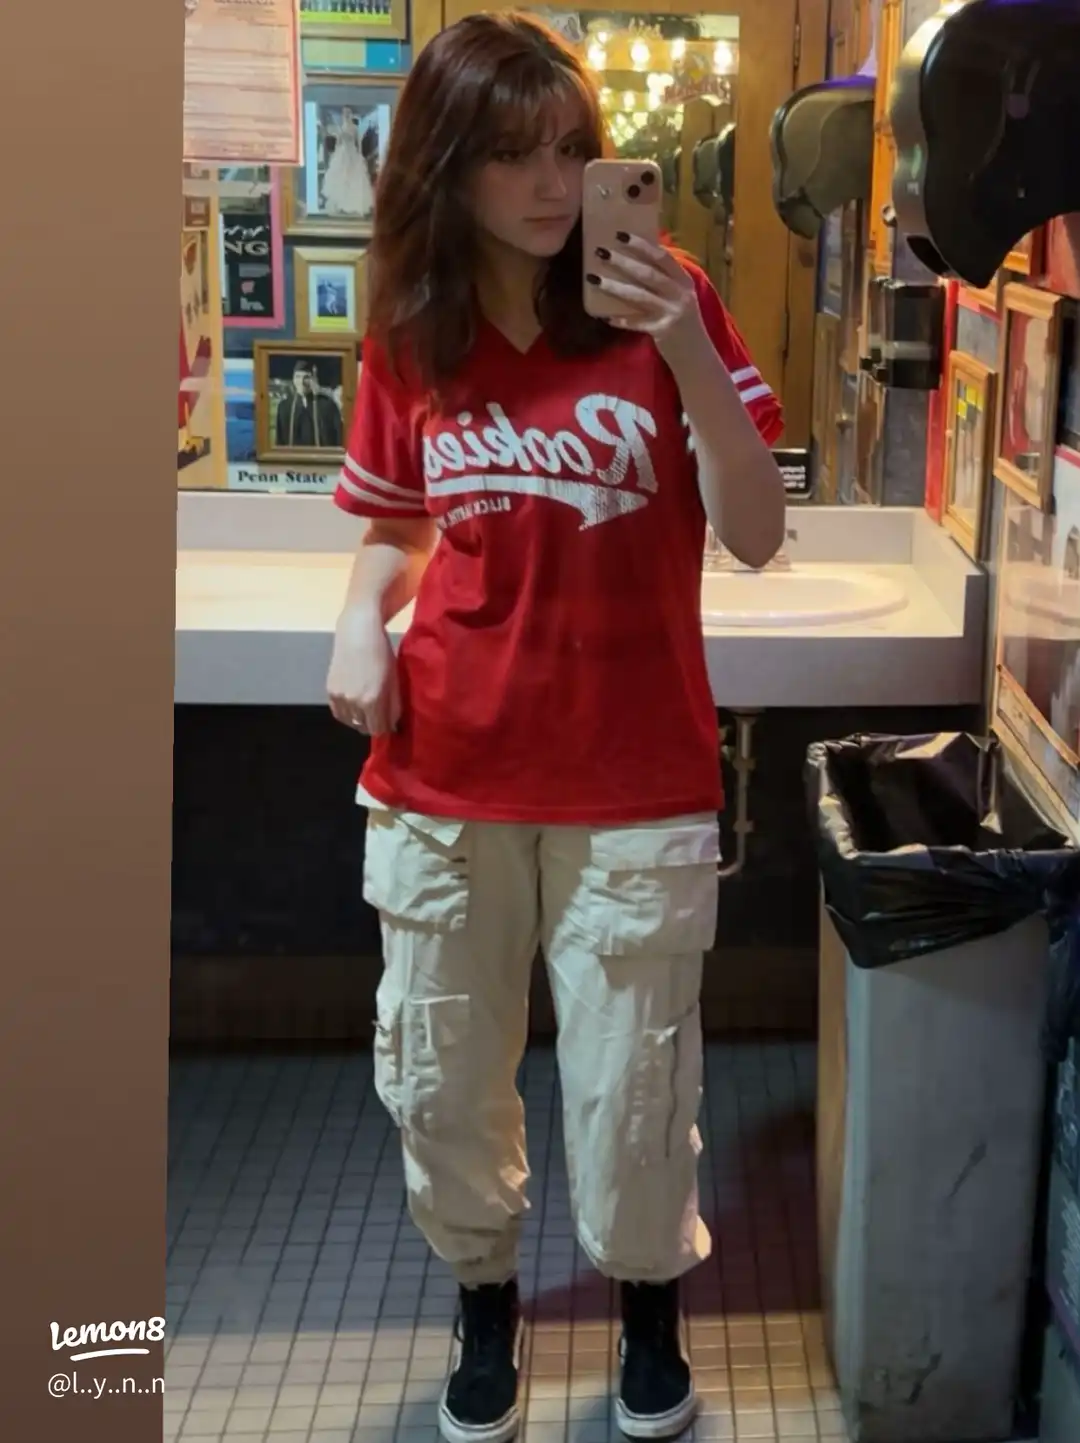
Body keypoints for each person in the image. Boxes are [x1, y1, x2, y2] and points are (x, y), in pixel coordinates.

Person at [325, 13, 785, 1443]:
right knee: (443, 1075)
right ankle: (485, 1300)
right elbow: (400, 526)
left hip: (634, 770)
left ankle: (647, 1302)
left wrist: (683, 345)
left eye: (569, 150)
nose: (547, 183)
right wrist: (361, 618)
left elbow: (757, 532)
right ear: (444, 165)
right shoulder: (414, 327)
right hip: (446, 766)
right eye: (511, 154)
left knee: (635, 1082)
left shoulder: (667, 299)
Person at [275, 360, 342, 449]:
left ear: (313, 380)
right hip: (293, 457)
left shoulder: (328, 405)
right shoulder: (284, 407)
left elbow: (338, 439)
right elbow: (279, 442)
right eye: (298, 377)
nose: (301, 382)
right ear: (293, 379)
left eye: (306, 377)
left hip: (322, 456)